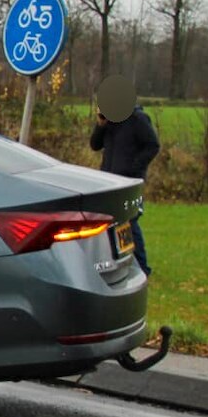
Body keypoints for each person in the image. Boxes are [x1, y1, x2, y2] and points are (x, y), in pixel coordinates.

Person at [88, 74, 159, 275]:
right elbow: (95, 145)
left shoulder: (138, 119)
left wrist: (135, 170)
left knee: (130, 221)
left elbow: (152, 145)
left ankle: (143, 267)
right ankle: (118, 260)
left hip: (129, 180)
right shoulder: (110, 120)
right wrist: (101, 125)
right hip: (108, 180)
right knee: (112, 223)